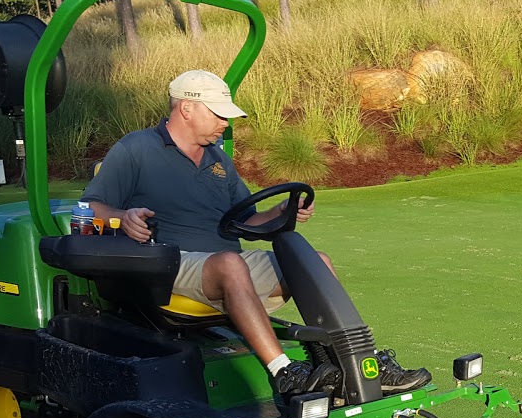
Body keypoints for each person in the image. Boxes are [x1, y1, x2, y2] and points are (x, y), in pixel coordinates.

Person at [82, 69, 431, 397]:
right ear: (186, 108)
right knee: (231, 264)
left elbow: (246, 221)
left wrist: (281, 211)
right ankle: (284, 372)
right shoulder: (136, 149)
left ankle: (357, 364)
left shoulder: (218, 160)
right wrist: (124, 217)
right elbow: (90, 206)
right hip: (169, 263)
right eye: (218, 114)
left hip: (224, 265)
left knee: (315, 262)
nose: (225, 122)